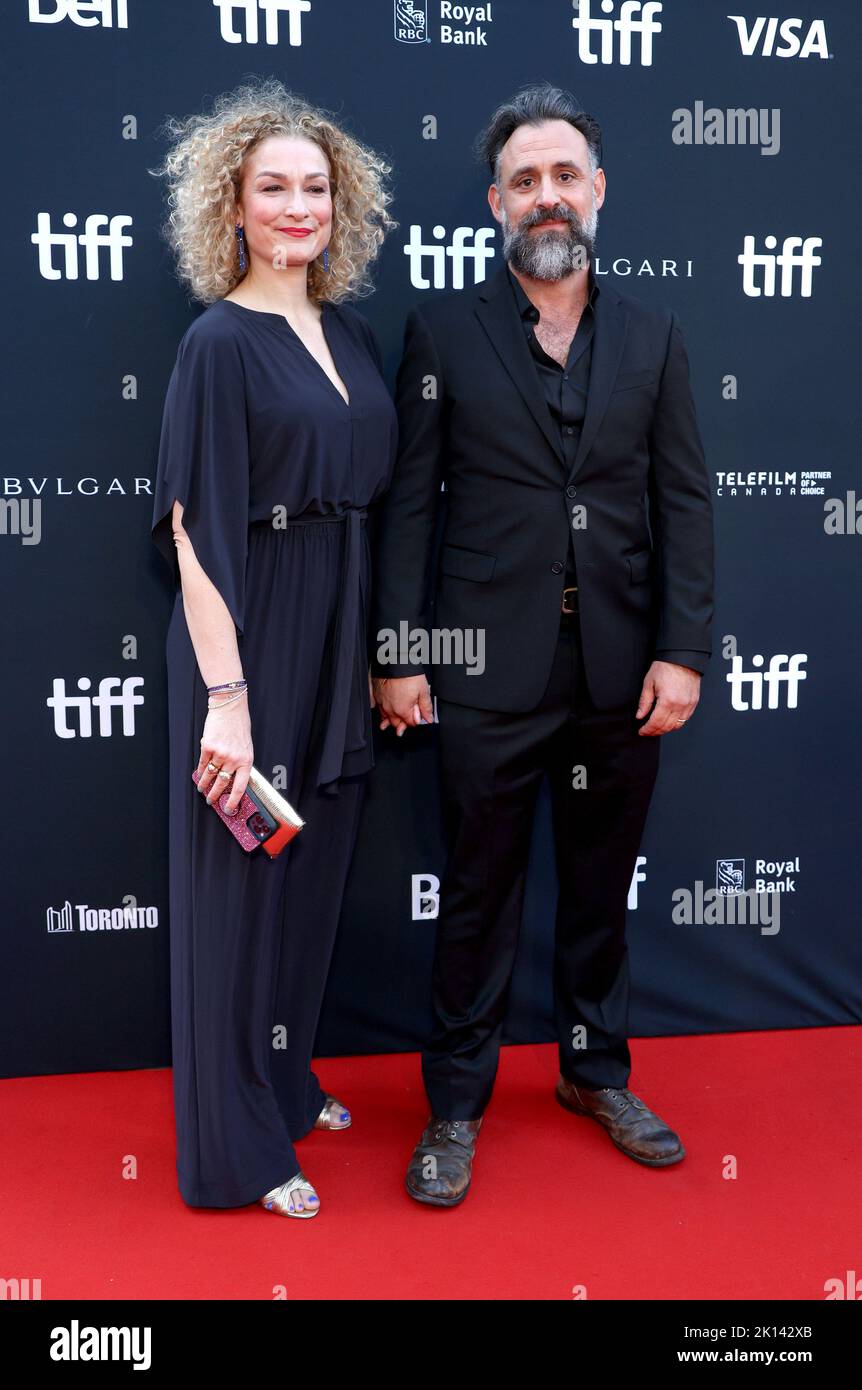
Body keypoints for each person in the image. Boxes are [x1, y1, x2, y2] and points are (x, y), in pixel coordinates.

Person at [372, 84, 714, 1207]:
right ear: (494, 203)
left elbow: (686, 503)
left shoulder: (656, 336)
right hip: (481, 671)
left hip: (620, 671)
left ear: (597, 191)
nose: (547, 196)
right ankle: (456, 1106)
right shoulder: (441, 331)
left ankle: (592, 1070)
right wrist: (398, 649)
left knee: (598, 890)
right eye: (525, 180)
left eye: (564, 175)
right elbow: (409, 506)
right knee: (476, 891)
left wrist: (683, 649)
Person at [149, 79, 397, 1218]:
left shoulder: (342, 329)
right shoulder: (216, 343)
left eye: (315, 189)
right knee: (235, 893)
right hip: (249, 628)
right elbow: (194, 537)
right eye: (274, 189)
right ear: (233, 208)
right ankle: (239, 1149)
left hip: (338, 617)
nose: (298, 208)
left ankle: (285, 1081)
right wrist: (227, 699)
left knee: (307, 878)